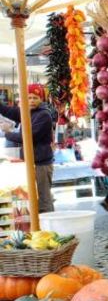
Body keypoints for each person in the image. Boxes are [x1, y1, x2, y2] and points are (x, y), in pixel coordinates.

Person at [0, 84, 55, 213]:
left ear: (41, 99)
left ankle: (47, 230)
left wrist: (8, 132)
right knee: (34, 199)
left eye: (35, 97)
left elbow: (29, 137)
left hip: (41, 164)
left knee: (43, 199)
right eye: (28, 97)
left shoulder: (43, 115)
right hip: (32, 163)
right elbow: (7, 111)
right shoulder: (27, 112)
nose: (31, 101)